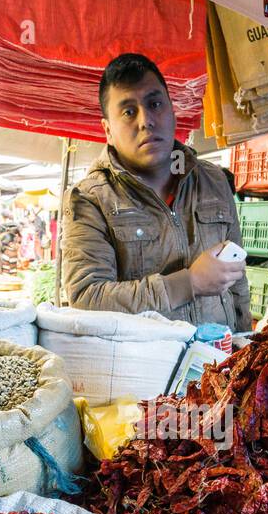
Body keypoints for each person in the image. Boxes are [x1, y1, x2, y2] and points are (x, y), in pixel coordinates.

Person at [61, 53, 250, 330]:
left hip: (220, 362)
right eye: (128, 111)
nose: (146, 120)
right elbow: (87, 297)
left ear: (172, 111)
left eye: (155, 104)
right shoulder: (91, 199)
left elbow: (237, 280)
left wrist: (245, 341)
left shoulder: (213, 181)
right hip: (145, 369)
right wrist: (189, 283)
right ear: (108, 130)